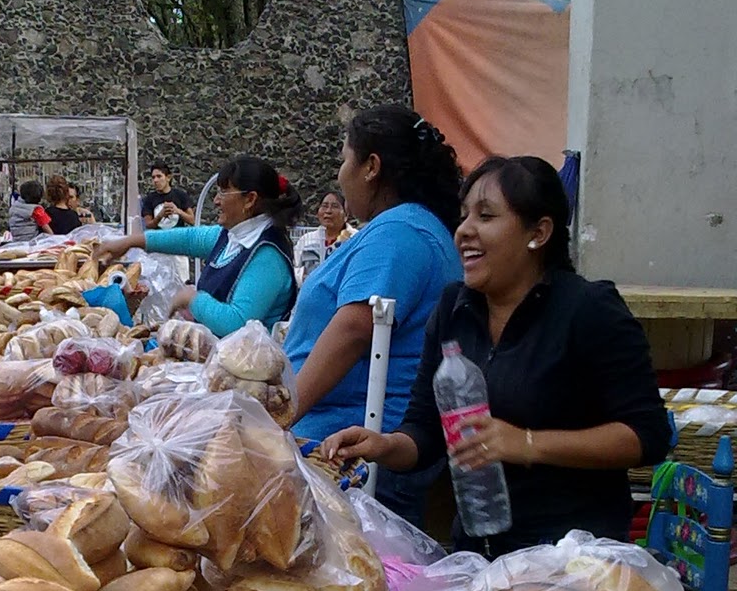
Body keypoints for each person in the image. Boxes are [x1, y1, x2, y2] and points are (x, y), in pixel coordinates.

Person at [323, 154, 672, 555]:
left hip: (572, 559)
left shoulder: (588, 309)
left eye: (485, 217)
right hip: (476, 552)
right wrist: (383, 445)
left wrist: (526, 443)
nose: (464, 231)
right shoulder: (455, 308)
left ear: (538, 232)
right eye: (464, 215)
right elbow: (426, 433)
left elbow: (647, 435)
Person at [283, 105, 464, 528]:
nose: (341, 174)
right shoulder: (400, 227)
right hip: (343, 444)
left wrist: (277, 418)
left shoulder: (401, 233)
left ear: (371, 167)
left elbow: (354, 328)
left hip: (354, 455)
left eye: (345, 159)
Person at [93, 155, 299, 337]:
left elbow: (236, 323)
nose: (217, 201)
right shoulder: (232, 235)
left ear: (250, 199)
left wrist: (192, 298)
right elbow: (190, 239)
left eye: (224, 193)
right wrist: (130, 242)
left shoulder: (267, 256)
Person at [293, 189, 351, 280]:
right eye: (324, 206)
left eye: (335, 206)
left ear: (346, 215)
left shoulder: (354, 238)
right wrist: (302, 277)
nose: (328, 211)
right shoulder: (307, 239)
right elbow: (293, 267)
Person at [141, 161, 195, 229]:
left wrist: (177, 211)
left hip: (177, 237)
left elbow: (192, 220)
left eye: (159, 176)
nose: (155, 180)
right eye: (153, 177)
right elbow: (148, 225)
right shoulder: (149, 199)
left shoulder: (180, 195)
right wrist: (160, 216)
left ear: (168, 178)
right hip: (158, 237)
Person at [9, 179, 52, 244]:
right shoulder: (36, 210)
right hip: (30, 242)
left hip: (16, 241)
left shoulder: (15, 206)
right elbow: (47, 229)